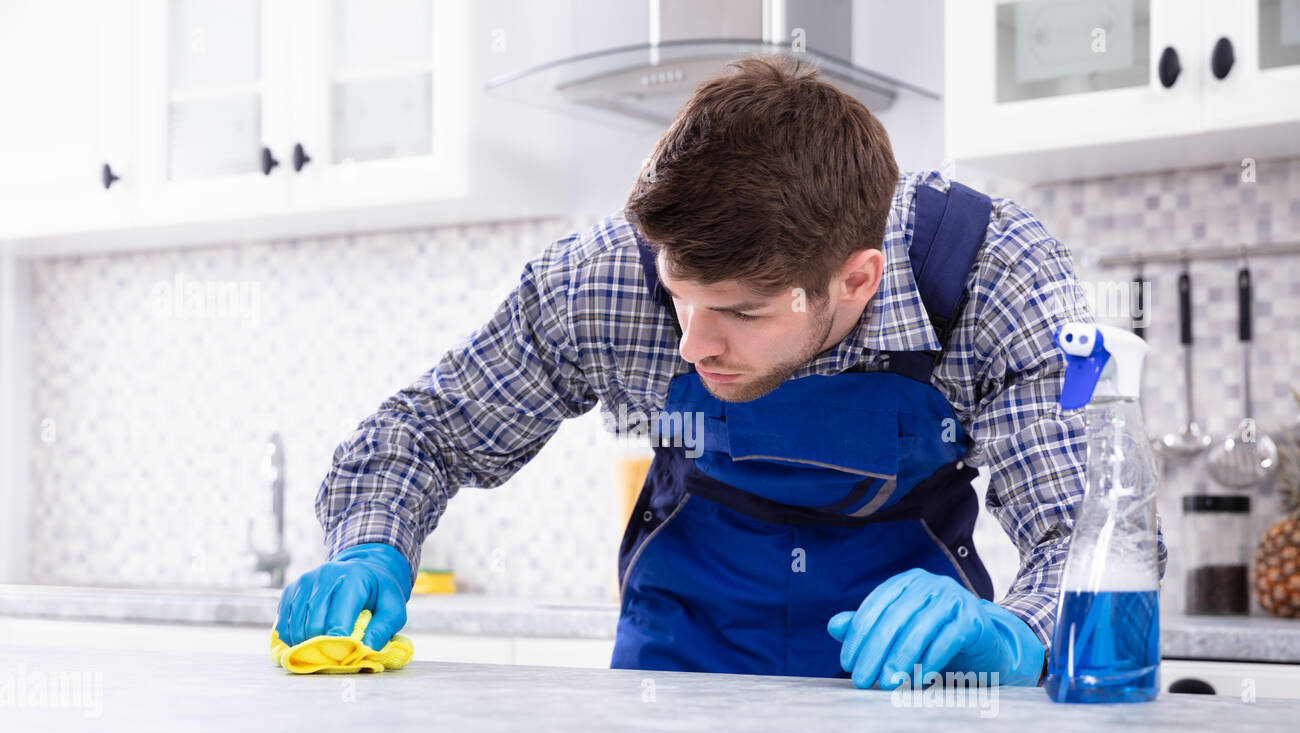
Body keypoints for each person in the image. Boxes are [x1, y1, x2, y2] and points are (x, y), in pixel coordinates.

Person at [276, 54, 1167, 689]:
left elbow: (1092, 539)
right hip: (673, 690)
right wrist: (371, 547)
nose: (694, 347)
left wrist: (1013, 636)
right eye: (680, 296)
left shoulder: (992, 276)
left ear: (855, 280)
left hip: (904, 700)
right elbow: (422, 435)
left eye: (741, 312)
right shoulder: (603, 282)